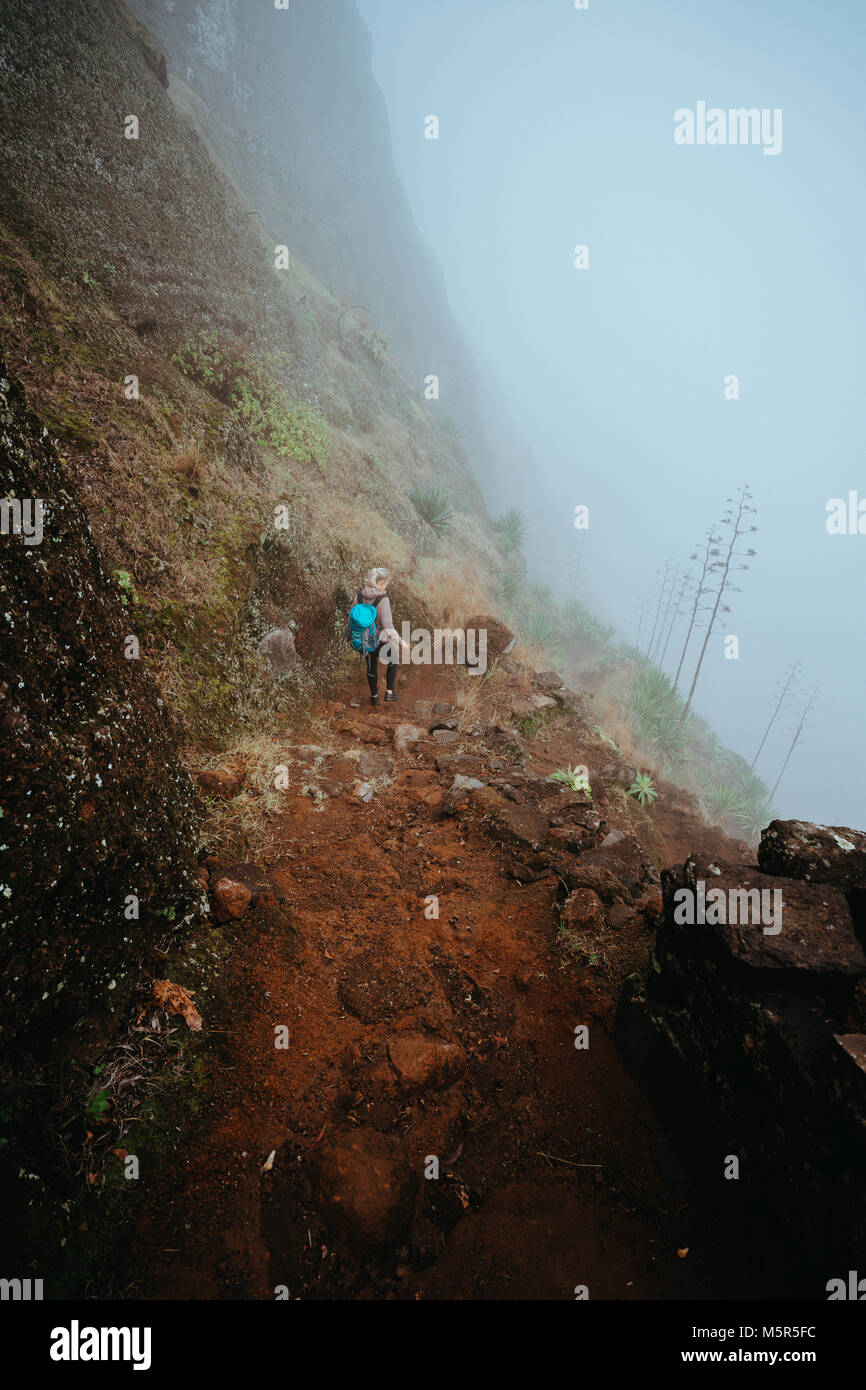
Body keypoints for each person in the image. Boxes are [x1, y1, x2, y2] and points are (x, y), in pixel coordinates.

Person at [355, 567, 407, 705]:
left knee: (371, 665)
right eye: (386, 582)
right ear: (382, 582)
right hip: (377, 640)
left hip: (362, 640)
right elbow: (388, 626)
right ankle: (389, 693)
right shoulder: (383, 600)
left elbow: (352, 619)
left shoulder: (358, 596)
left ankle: (374, 697)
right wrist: (400, 641)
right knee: (393, 657)